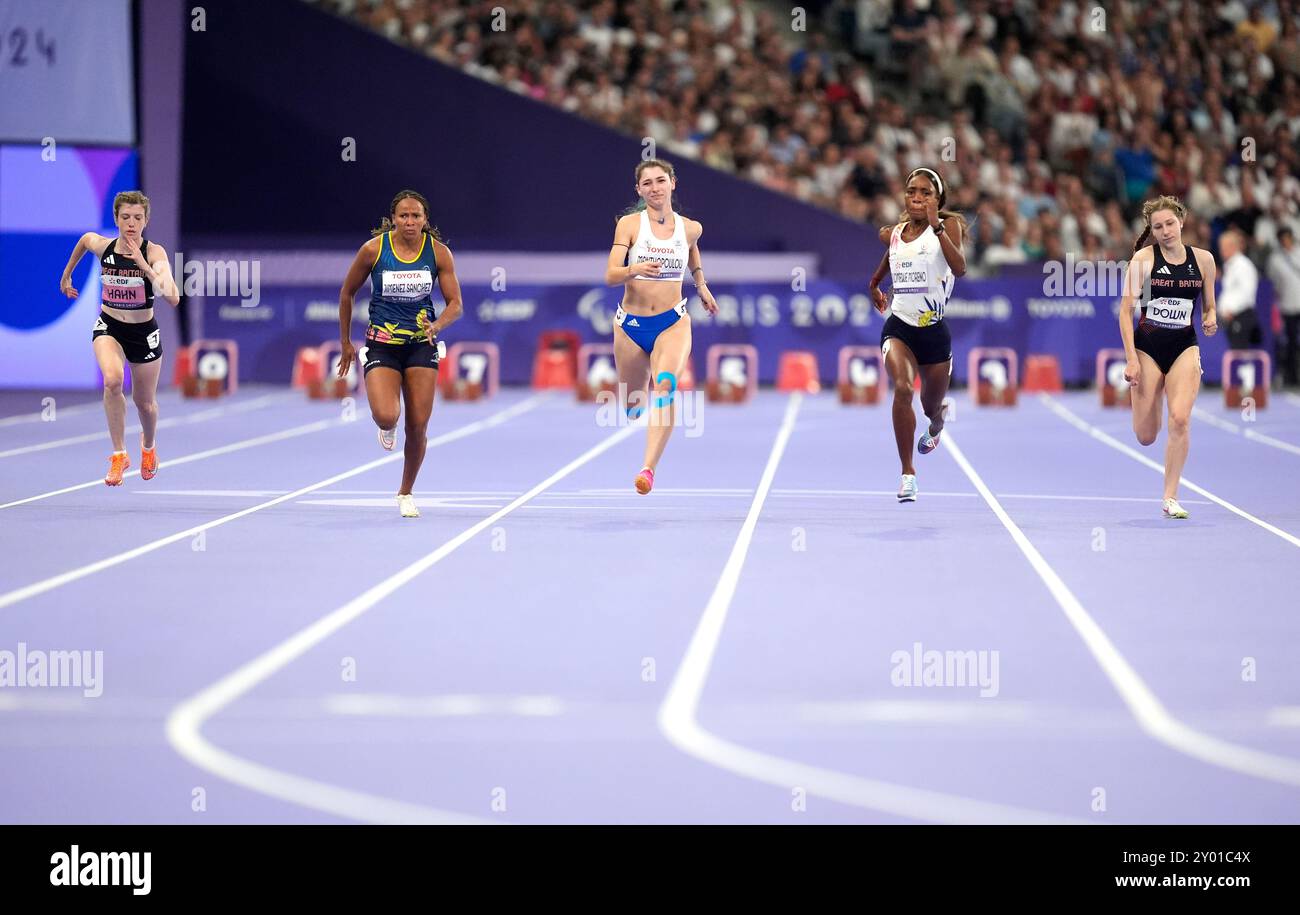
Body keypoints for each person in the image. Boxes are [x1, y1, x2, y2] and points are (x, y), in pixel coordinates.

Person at [336, 190, 463, 518]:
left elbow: (456, 305)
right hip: (381, 343)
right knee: (387, 415)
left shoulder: (438, 253)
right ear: (393, 218)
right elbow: (347, 293)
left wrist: (436, 326)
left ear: (425, 220)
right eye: (404, 216)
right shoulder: (374, 250)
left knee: (418, 425)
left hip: (421, 344)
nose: (410, 222)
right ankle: (386, 425)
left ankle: (406, 492)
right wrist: (345, 343)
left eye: (416, 216)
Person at [604, 158, 718, 495]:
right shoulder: (629, 225)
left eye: (660, 181)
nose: (655, 188)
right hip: (631, 326)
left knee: (665, 387)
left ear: (672, 183)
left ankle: (647, 470)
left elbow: (691, 249)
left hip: (673, 322)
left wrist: (701, 285)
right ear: (639, 190)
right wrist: (634, 268)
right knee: (634, 401)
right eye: (648, 183)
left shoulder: (691, 227)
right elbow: (610, 275)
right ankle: (632, 403)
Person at [58, 191, 181, 485]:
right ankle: (118, 455)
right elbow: (86, 240)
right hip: (110, 326)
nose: (131, 223)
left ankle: (148, 448)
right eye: (125, 217)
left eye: (138, 218)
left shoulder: (154, 253)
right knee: (112, 381)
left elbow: (173, 297)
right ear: (116, 219)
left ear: (146, 221)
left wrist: (144, 265)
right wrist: (66, 276)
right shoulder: (104, 247)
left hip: (143, 333)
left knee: (144, 403)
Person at [868, 166, 967, 502]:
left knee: (930, 407)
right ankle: (907, 473)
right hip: (900, 328)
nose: (917, 198)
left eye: (925, 192)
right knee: (902, 388)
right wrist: (874, 284)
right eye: (912, 191)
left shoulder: (948, 226)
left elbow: (960, 268)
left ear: (937, 199)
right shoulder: (894, 233)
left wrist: (937, 225)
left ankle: (938, 424)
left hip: (935, 335)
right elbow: (893, 252)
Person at [1118, 195, 1218, 519]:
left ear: (1182, 222)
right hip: (1148, 345)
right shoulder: (1143, 260)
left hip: (1184, 346)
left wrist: (1211, 317)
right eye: (1157, 226)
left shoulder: (1203, 260)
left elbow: (1210, 305)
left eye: (1170, 224)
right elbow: (1125, 312)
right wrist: (1132, 359)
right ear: (1152, 229)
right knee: (1146, 436)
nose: (1165, 231)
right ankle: (1155, 391)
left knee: (1181, 419)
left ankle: (1170, 496)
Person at [1266, 227, 1300, 387]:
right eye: (1283, 239)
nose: (1286, 241)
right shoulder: (1275, 260)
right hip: (1287, 306)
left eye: (1288, 238)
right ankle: (1291, 376)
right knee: (1291, 343)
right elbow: (1274, 284)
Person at [1217, 228, 1261, 349]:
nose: (1220, 250)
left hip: (1241, 316)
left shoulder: (1243, 265)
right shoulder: (1230, 265)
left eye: (1223, 246)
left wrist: (1231, 310)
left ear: (1232, 246)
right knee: (1233, 352)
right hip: (1231, 317)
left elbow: (1246, 293)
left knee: (1239, 353)